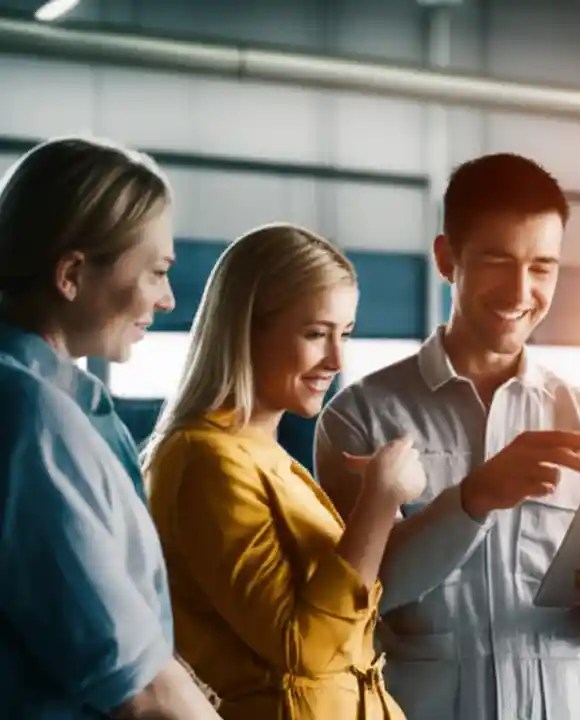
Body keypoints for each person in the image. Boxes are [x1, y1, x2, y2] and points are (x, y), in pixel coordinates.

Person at [315, 154, 580, 719]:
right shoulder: (359, 417)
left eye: (543, 266)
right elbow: (352, 602)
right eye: (497, 261)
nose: (520, 289)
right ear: (446, 258)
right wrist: (473, 499)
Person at [144, 224, 423, 720]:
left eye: (347, 333)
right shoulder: (207, 461)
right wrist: (376, 505)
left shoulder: (266, 458)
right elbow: (308, 649)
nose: (337, 359)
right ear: (247, 328)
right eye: (316, 334)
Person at [0, 137, 221, 719]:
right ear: (71, 273)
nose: (170, 298)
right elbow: (137, 685)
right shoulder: (28, 416)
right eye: (156, 272)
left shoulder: (68, 408)